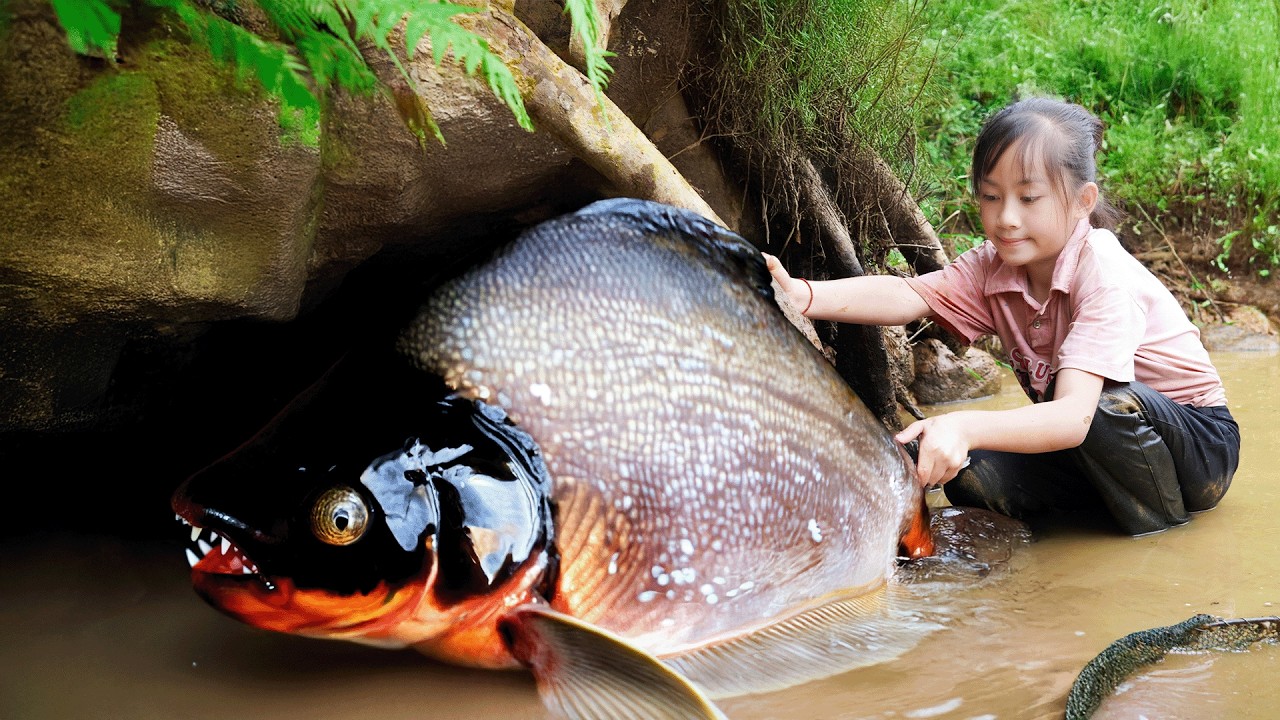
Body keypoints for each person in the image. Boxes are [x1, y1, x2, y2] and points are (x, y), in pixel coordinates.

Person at [764, 96, 1240, 536]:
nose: (1006, 217)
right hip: (1095, 452)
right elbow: (908, 295)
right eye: (992, 196)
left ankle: (1163, 534)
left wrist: (963, 424)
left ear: (1082, 202)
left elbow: (1076, 417)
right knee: (972, 475)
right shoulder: (995, 265)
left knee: (1102, 405)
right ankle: (1090, 530)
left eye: (1029, 198)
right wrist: (800, 295)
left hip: (1196, 451)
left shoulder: (1102, 270)